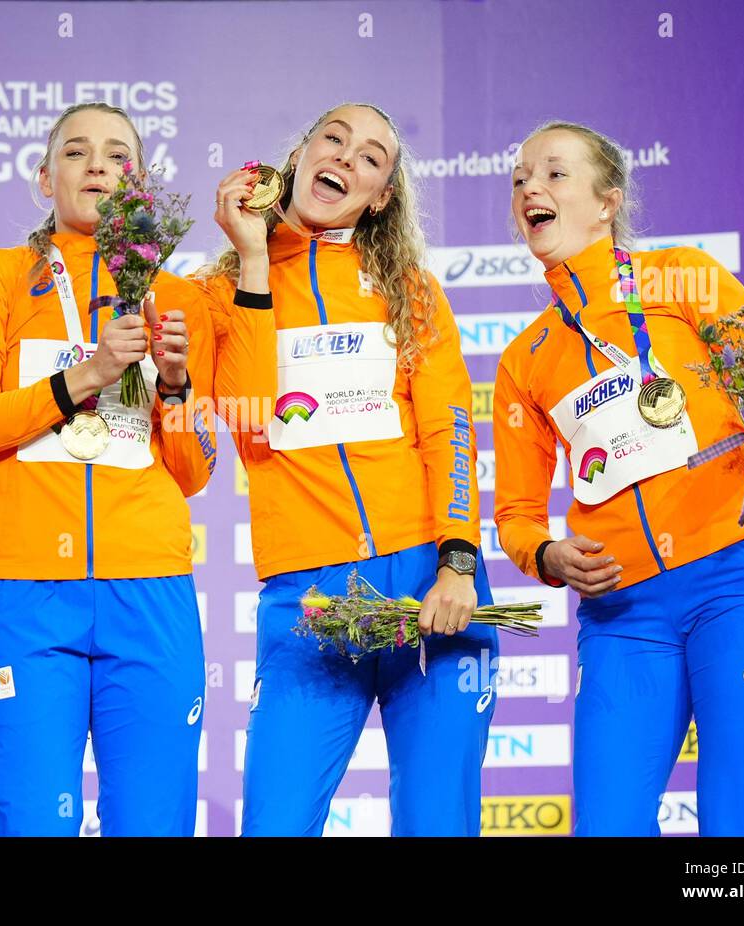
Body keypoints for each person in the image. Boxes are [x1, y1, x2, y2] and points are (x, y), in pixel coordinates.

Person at [493, 120, 744, 836]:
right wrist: (546, 555)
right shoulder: (524, 360)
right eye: (519, 179)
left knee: (736, 820)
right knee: (606, 825)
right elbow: (515, 514)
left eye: (554, 173)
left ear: (607, 202)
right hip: (623, 614)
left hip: (738, 577)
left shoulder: (679, 275)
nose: (530, 188)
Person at [199, 103, 497, 837]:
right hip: (309, 596)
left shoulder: (409, 289)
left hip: (431, 582)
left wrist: (458, 564)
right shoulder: (218, 292)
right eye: (333, 139)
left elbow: (449, 430)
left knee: (438, 825)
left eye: (370, 157)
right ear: (299, 155)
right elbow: (249, 417)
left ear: (381, 196)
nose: (345, 157)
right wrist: (255, 262)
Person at [0, 102, 216, 837]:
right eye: (76, 152)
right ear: (43, 177)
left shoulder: (176, 298)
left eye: (119, 156)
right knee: (31, 819)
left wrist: (178, 387)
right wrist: (84, 376)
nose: (98, 166)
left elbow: (194, 472)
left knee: (152, 823)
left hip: (150, 590)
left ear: (142, 184)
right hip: (30, 595)